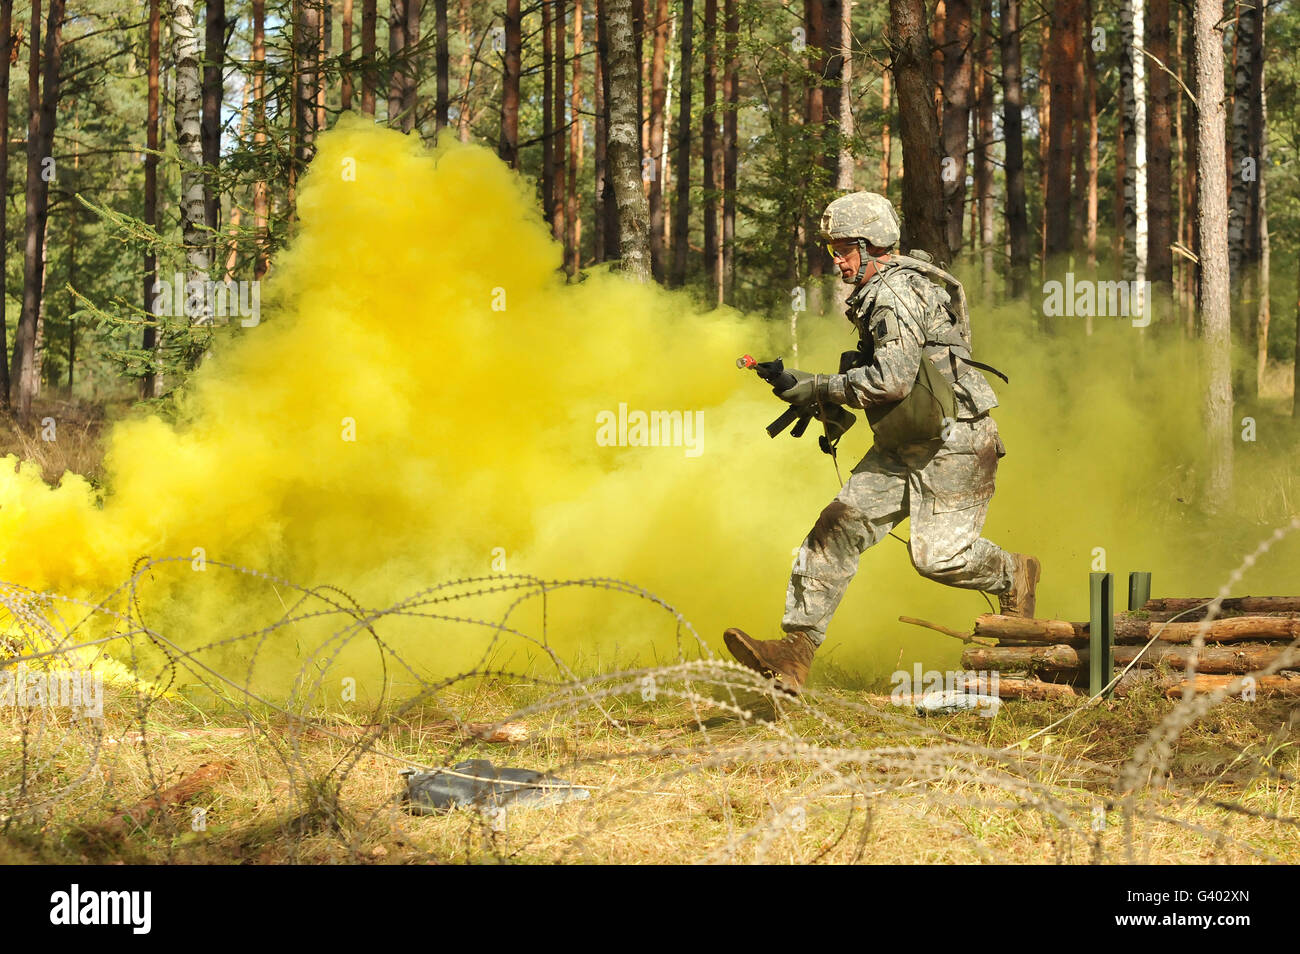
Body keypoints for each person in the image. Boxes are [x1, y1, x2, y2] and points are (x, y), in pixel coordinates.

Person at [724, 192, 1040, 694]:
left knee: (938, 558)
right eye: (833, 250)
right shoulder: (880, 290)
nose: (838, 261)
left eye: (844, 249)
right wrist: (811, 389)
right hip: (907, 438)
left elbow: (891, 380)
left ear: (871, 247)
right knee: (838, 525)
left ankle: (1014, 573)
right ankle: (794, 653)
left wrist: (822, 386)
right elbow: (895, 382)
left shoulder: (894, 294)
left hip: (956, 440)